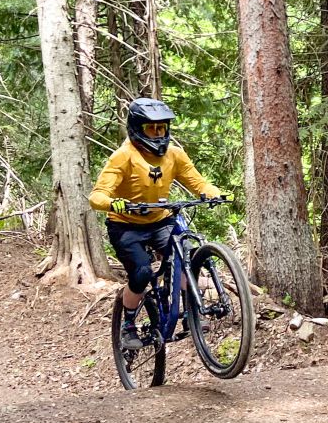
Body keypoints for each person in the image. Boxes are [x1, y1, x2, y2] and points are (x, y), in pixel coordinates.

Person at [89, 97, 229, 350]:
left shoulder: (174, 155)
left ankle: (190, 314)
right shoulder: (123, 157)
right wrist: (114, 203)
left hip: (161, 221)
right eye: (151, 128)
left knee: (186, 259)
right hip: (126, 225)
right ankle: (128, 325)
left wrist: (212, 193)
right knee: (141, 272)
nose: (157, 133)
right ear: (137, 128)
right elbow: (97, 196)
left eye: (161, 128)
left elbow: (197, 182)